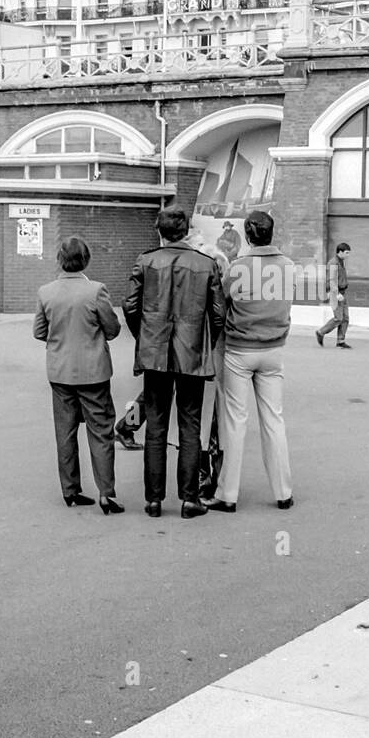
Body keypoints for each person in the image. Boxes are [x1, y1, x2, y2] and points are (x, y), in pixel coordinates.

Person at [123, 205, 225, 519]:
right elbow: (219, 314)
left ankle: (153, 500)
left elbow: (130, 306)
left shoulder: (146, 260)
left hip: (155, 353)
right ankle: (189, 498)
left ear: (160, 231)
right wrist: (205, 340)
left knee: (155, 427)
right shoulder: (206, 264)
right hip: (192, 352)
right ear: (187, 230)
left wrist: (145, 335)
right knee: (190, 426)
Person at [203, 210, 295, 513]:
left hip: (240, 349)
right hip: (274, 349)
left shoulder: (239, 268)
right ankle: (283, 492)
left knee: (235, 421)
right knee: (274, 420)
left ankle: (227, 494)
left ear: (247, 234)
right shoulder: (288, 267)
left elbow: (222, 301)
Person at [33, 236, 124, 515]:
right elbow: (112, 329)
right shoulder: (96, 291)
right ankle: (106, 493)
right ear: (86, 260)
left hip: (60, 372)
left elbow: (39, 332)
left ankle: (70, 491)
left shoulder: (46, 292)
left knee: (65, 432)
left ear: (60, 260)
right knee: (101, 432)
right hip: (93, 372)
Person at [316, 241, 351, 348]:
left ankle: (341, 341)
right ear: (340, 252)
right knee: (338, 318)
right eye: (347, 253)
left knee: (345, 318)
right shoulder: (333, 263)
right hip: (336, 293)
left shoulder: (341, 261)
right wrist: (336, 294)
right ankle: (321, 332)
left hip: (343, 292)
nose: (348, 255)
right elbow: (331, 280)